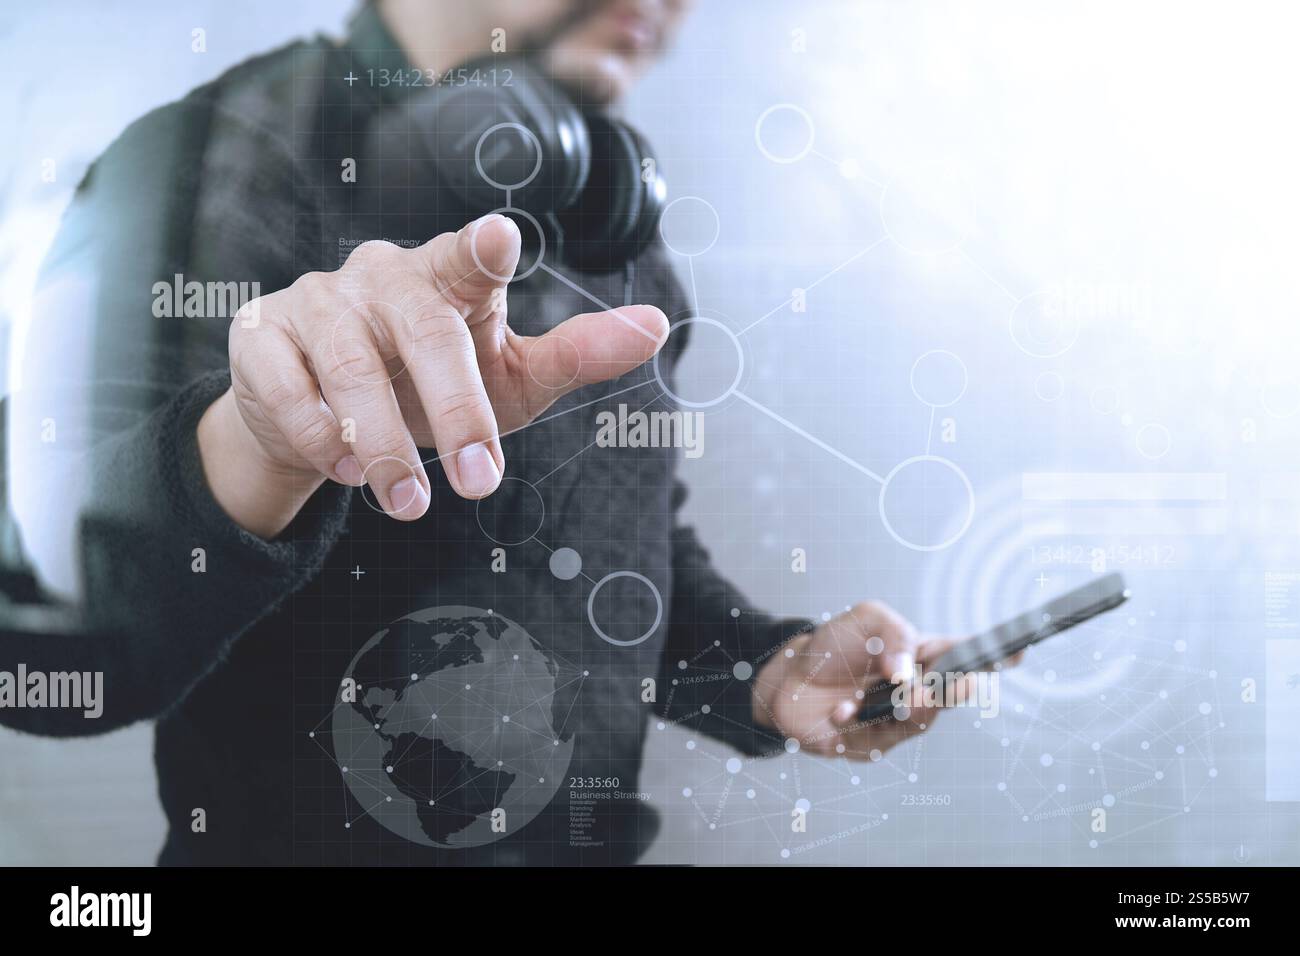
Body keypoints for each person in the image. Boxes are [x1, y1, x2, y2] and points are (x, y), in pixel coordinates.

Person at [1, 0, 984, 865]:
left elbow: (625, 550)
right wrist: (264, 441)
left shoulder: (609, 223)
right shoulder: (199, 162)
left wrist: (769, 668)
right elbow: (36, 657)